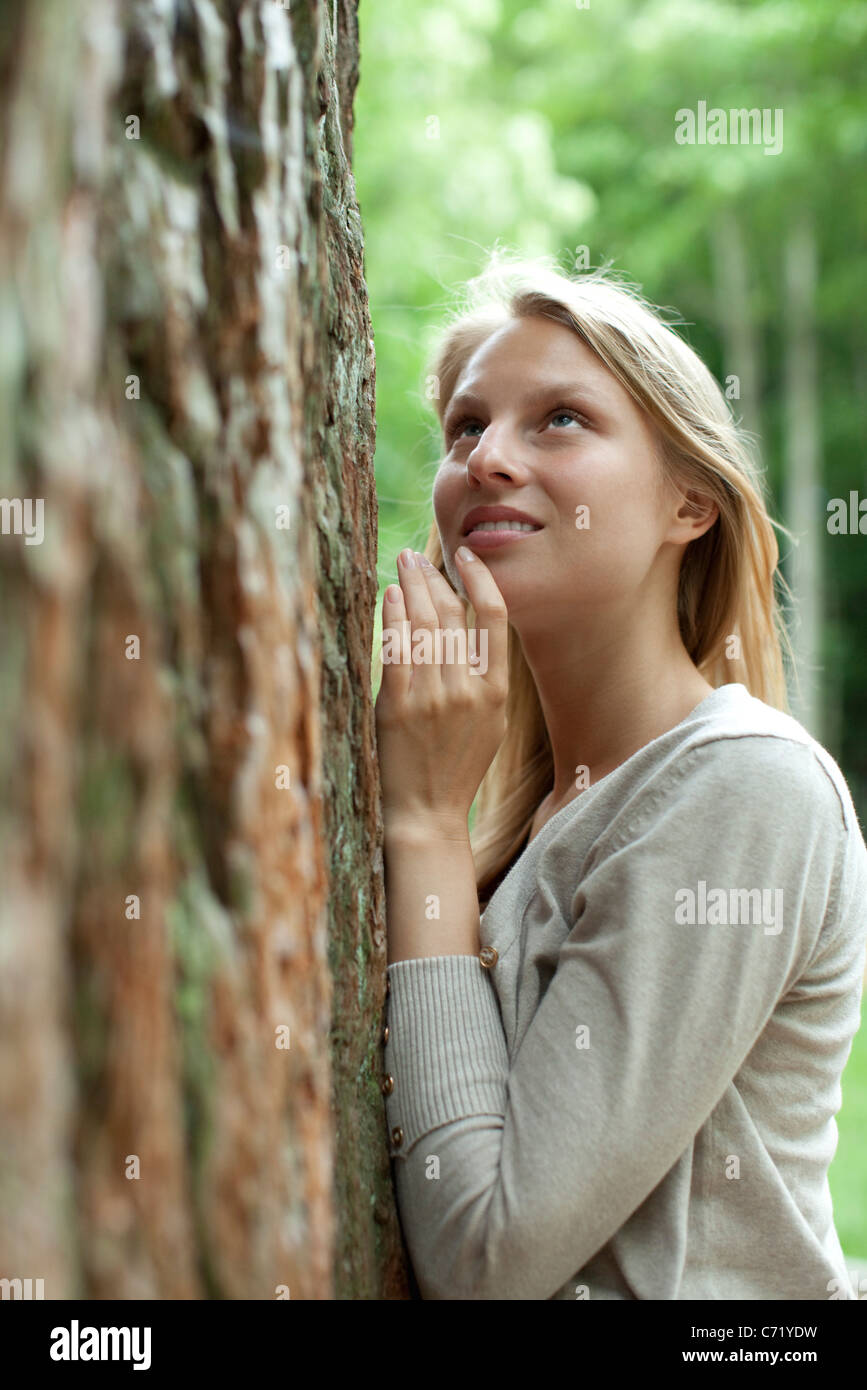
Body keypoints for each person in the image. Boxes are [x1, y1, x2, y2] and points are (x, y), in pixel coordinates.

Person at [373, 250, 867, 1300]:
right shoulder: (531, 822)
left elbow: (485, 1261)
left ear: (691, 503)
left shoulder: (743, 788)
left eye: (560, 419)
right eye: (466, 427)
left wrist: (422, 825)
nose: (488, 459)